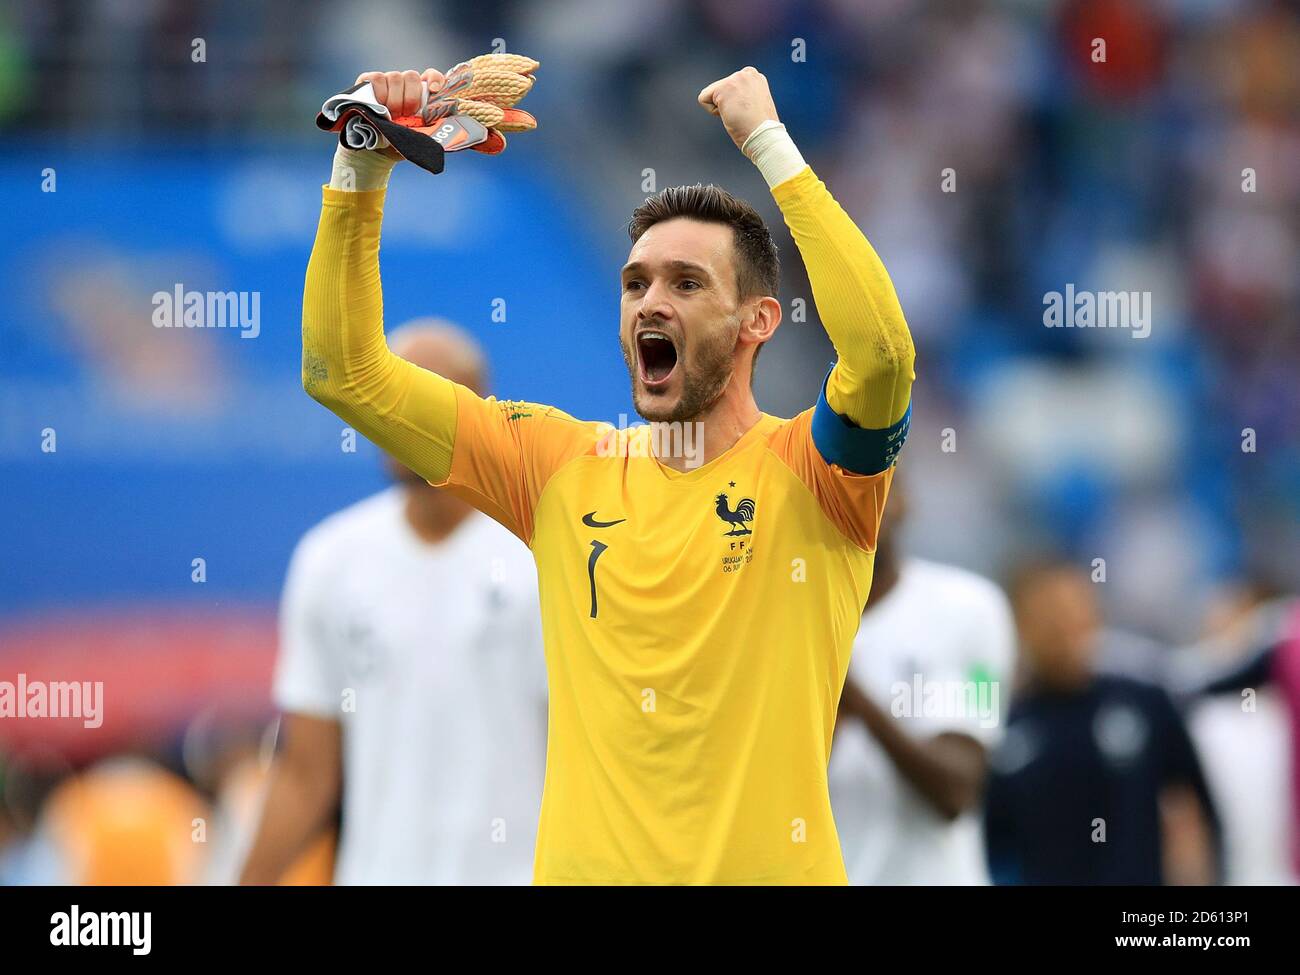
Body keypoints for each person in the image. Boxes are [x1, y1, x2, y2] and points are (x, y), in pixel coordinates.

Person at [302, 66, 915, 884]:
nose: (649, 303)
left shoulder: (817, 471)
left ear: (758, 321)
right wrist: (361, 161)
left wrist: (770, 146)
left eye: (687, 283)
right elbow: (342, 372)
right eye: (635, 284)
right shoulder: (556, 465)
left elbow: (881, 352)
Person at [241, 322, 547, 885]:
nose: (396, 418)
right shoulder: (330, 560)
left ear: (478, 413)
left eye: (422, 397)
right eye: (386, 396)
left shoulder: (543, 560)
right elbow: (305, 773)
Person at [984, 562, 1221, 885]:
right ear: (1019, 627)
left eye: (1072, 611)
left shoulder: (1143, 703)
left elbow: (1193, 807)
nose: (1062, 629)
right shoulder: (1004, 732)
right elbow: (990, 846)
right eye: (1047, 616)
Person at [829, 485, 1015, 884]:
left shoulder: (971, 608)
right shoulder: (784, 615)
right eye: (837, 488)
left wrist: (851, 695)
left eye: (874, 484)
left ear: (902, 501)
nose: (857, 502)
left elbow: (956, 789)